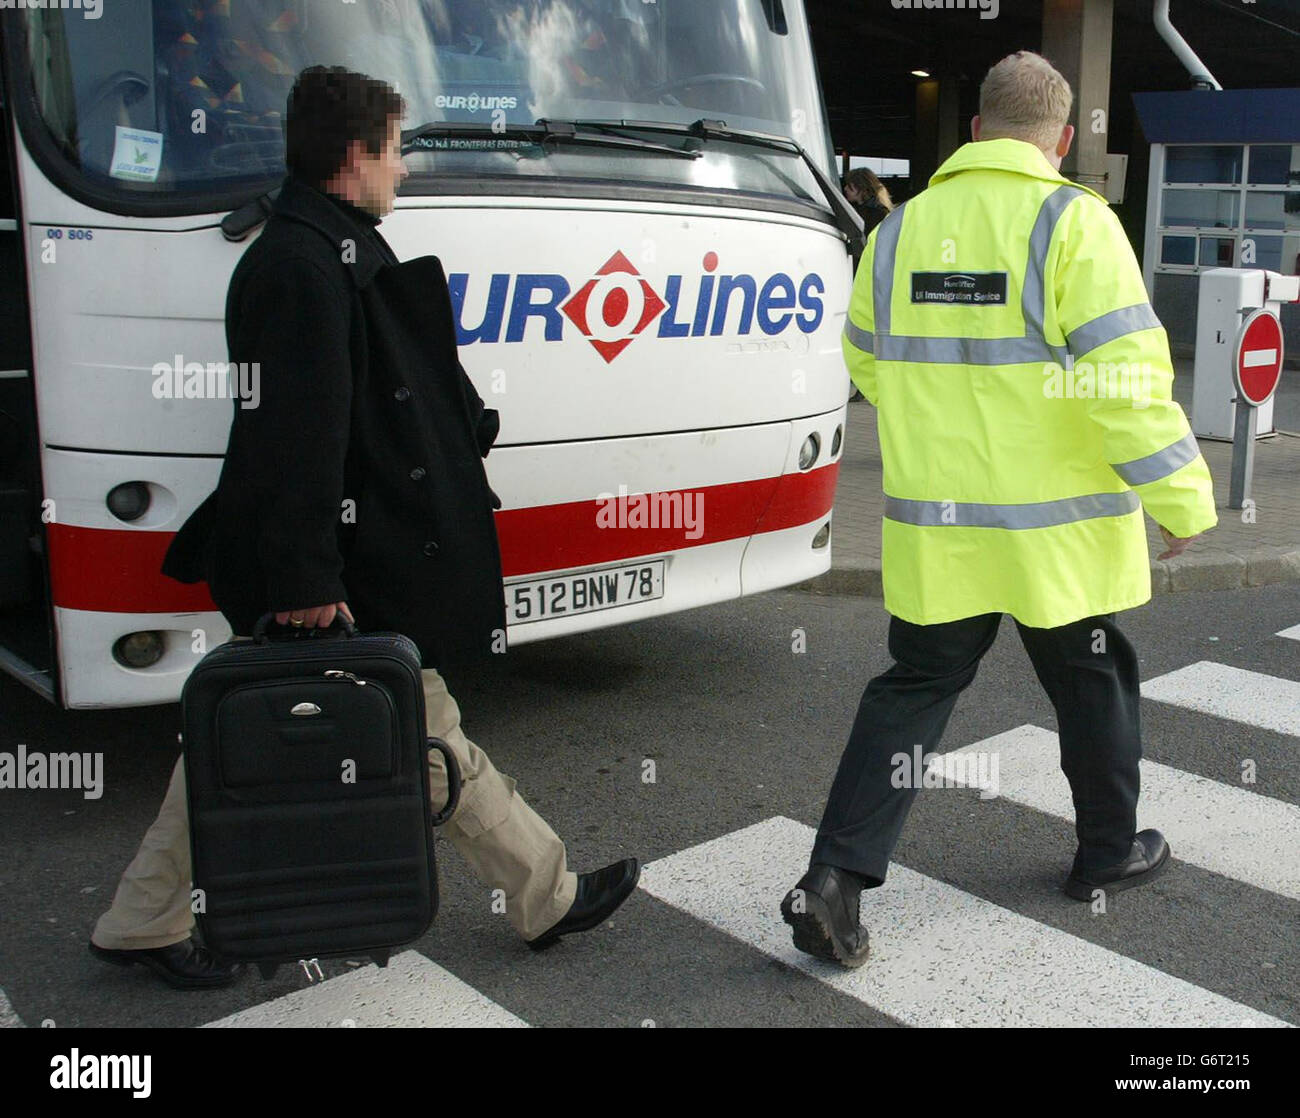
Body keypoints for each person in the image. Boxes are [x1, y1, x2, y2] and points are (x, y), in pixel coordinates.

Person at [89, 66, 640, 989]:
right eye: (394, 151)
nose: (403, 173)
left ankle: (140, 919)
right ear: (354, 156)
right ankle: (543, 895)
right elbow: (295, 439)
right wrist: (307, 582)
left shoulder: (320, 247)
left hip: (340, 556)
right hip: (334, 568)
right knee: (419, 735)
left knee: (249, 741)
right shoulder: (303, 266)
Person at [782, 51, 1217, 969]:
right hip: (1054, 540)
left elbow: (866, 361)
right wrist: (1180, 499)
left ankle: (834, 879)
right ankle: (1106, 852)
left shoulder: (900, 232)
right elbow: (1127, 380)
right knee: (1092, 680)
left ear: (976, 130)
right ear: (1062, 141)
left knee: (910, 693)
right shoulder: (1075, 223)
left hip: (942, 533)